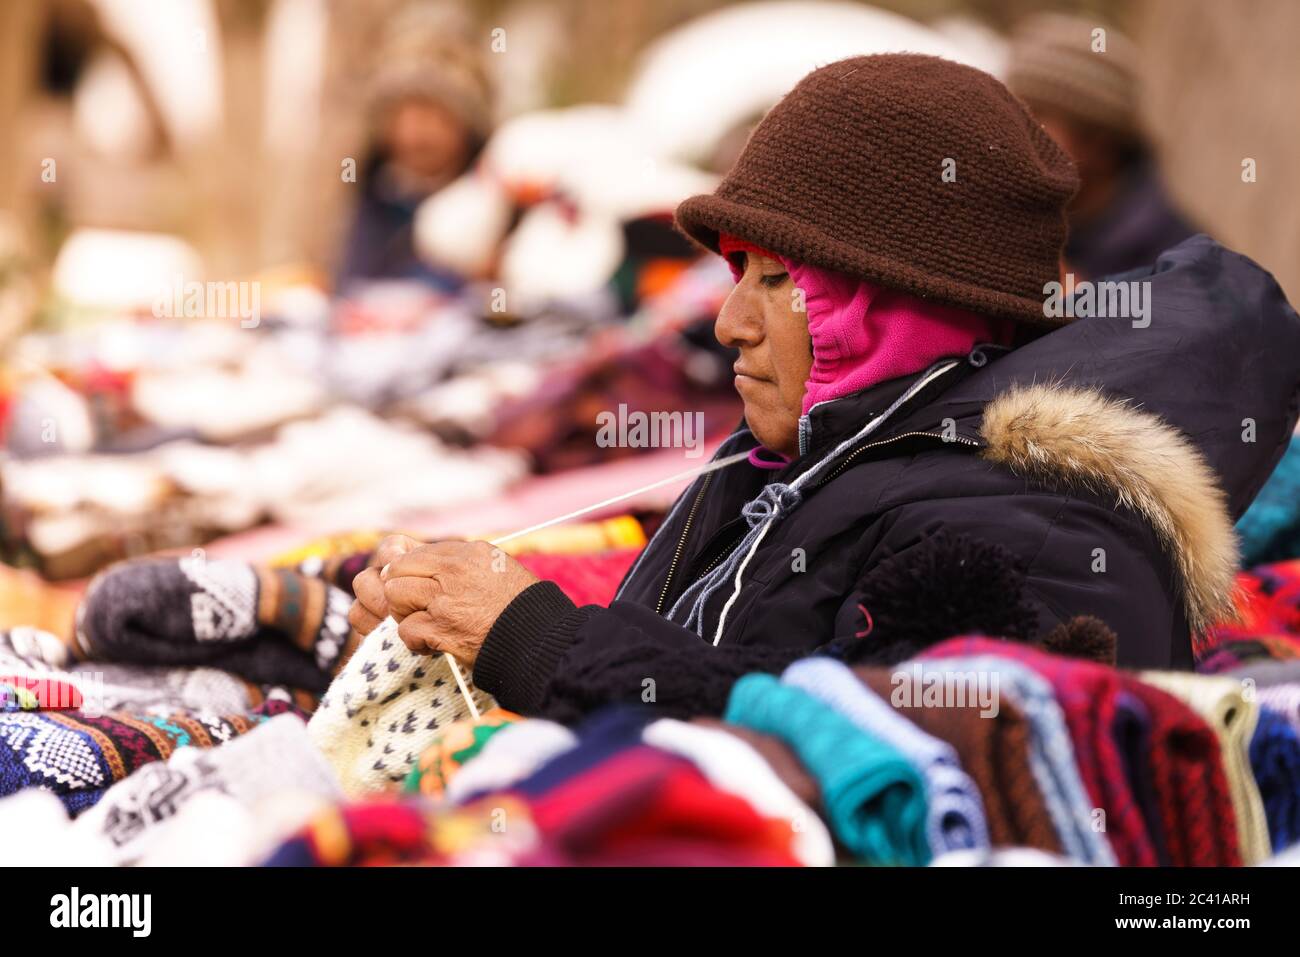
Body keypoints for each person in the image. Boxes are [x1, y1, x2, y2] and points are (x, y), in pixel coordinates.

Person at [348, 54, 1300, 718]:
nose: (728, 324)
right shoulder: (824, 456)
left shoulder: (1038, 534)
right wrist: (449, 622)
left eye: (777, 282)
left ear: (901, 304)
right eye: (736, 275)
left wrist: (534, 638)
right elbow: (708, 649)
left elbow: (873, 762)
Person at [1006, 12, 1198, 280]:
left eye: (1033, 116)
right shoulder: (1026, 210)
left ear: (1099, 144)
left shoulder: (1182, 264)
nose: (1010, 132)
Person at [335, 3, 492, 291]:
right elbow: (350, 287)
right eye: (398, 114)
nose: (413, 135)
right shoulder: (374, 189)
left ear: (466, 121)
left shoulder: (503, 194)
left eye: (431, 113)